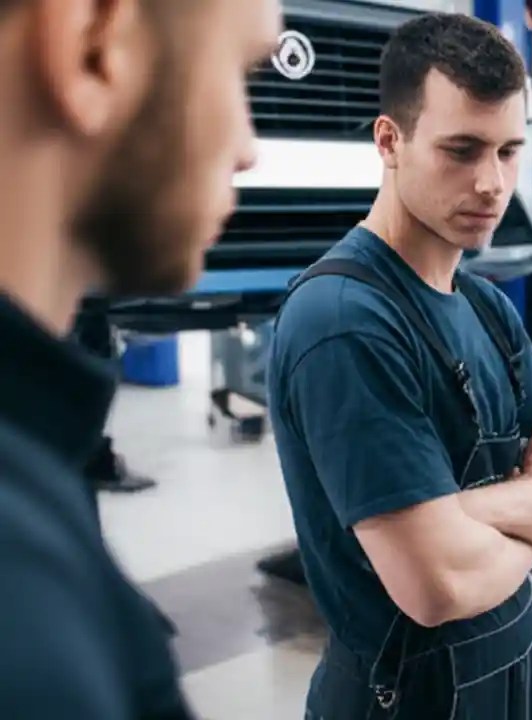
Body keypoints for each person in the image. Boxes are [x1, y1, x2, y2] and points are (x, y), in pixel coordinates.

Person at [266, 13, 532, 719]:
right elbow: (437, 586)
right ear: (389, 141)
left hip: (520, 672)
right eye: (462, 150)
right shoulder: (343, 322)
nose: (492, 183)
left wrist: (465, 515)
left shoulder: (487, 307)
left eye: (508, 151)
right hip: (408, 700)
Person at [0, 0, 280, 717]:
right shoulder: (29, 627)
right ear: (93, 45)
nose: (248, 147)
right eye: (238, 71)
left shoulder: (37, 466)